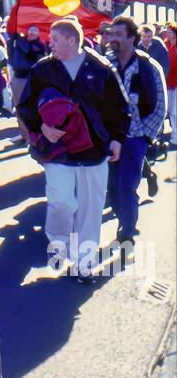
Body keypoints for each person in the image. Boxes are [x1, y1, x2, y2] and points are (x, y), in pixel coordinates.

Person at [17, 17, 130, 281]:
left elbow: (119, 107)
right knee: (61, 202)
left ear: (72, 40)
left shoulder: (101, 68)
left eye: (55, 39)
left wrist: (117, 138)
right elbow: (25, 106)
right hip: (58, 152)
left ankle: (83, 264)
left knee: (90, 211)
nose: (50, 43)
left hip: (94, 152)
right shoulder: (43, 69)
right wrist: (40, 127)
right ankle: (57, 244)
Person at [106, 17, 166, 249]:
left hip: (135, 138)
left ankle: (128, 230)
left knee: (126, 186)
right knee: (111, 188)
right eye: (111, 34)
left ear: (132, 38)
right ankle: (124, 218)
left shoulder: (148, 67)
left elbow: (160, 106)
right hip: (109, 138)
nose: (113, 39)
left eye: (119, 35)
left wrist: (145, 136)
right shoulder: (106, 65)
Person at [6, 23, 47, 108]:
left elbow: (33, 55)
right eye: (30, 31)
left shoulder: (40, 46)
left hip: (32, 78)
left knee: (31, 103)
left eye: (35, 31)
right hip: (18, 76)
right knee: (18, 103)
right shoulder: (17, 42)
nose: (32, 33)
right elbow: (10, 53)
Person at [162, 23, 177, 144]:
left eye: (170, 31)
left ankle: (175, 136)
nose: (167, 33)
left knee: (174, 110)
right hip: (167, 81)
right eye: (167, 31)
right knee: (170, 110)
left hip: (176, 81)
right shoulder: (164, 44)